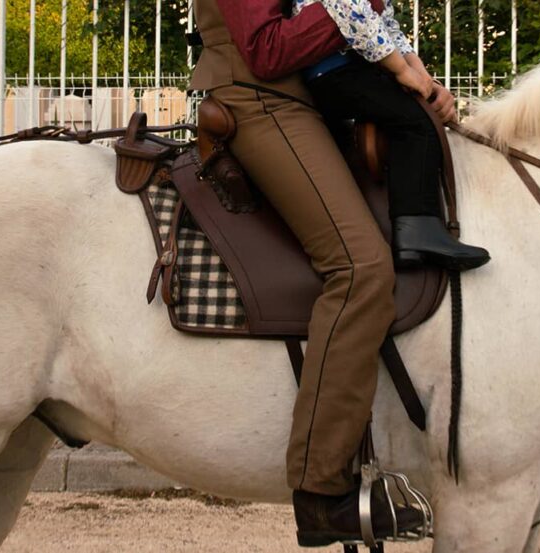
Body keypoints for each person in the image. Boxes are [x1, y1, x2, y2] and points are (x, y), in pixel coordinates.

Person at [189, 0, 455, 546]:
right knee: (360, 267)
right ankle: (321, 491)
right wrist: (355, 8)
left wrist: (418, 76)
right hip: (261, 99)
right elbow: (267, 51)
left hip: (311, 100)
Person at [295, 0, 489, 270]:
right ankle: (416, 232)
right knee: (413, 123)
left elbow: (387, 25)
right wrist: (400, 70)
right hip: (332, 66)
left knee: (414, 113)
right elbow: (351, 9)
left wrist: (420, 74)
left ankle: (416, 233)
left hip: (349, 64)